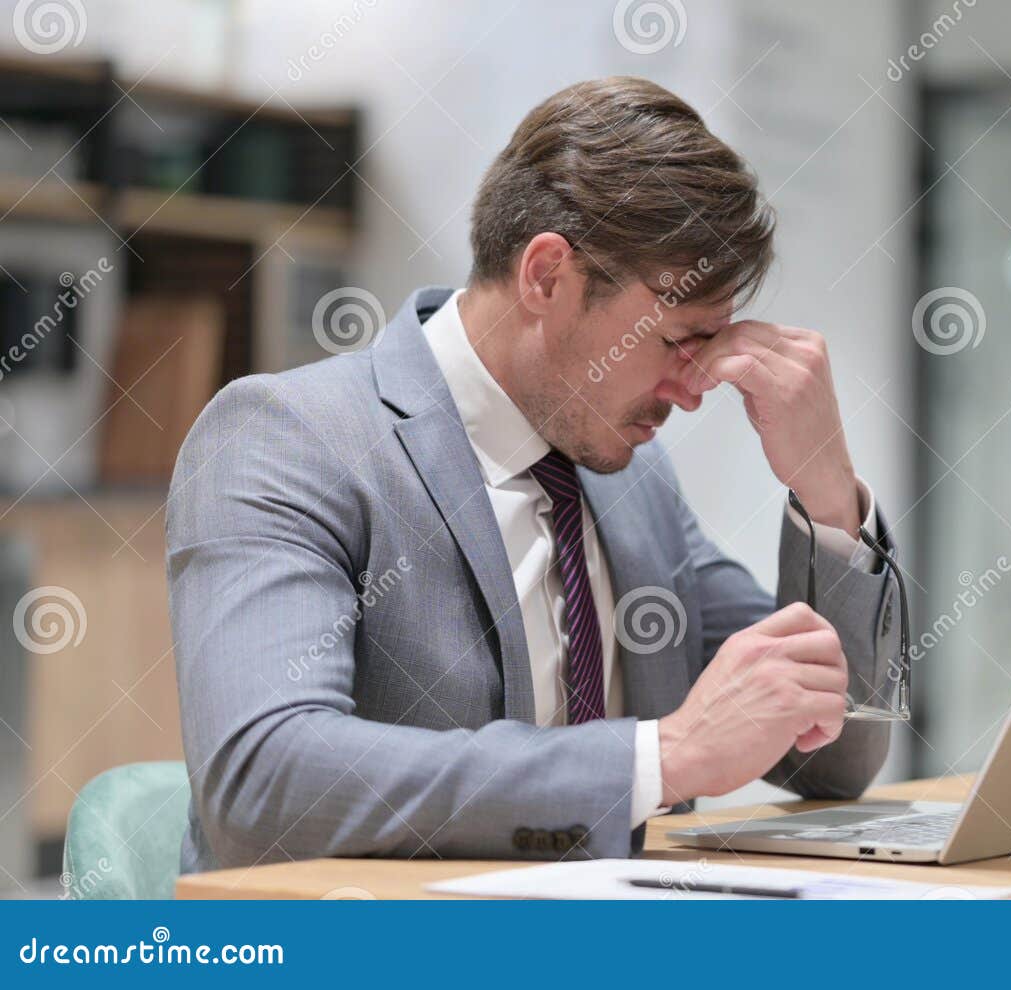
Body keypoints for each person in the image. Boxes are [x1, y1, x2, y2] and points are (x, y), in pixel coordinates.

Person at [167, 76, 899, 872]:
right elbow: (263, 782)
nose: (696, 391)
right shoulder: (290, 439)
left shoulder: (634, 478)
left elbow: (831, 756)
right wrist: (663, 759)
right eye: (676, 341)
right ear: (547, 276)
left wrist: (828, 492)